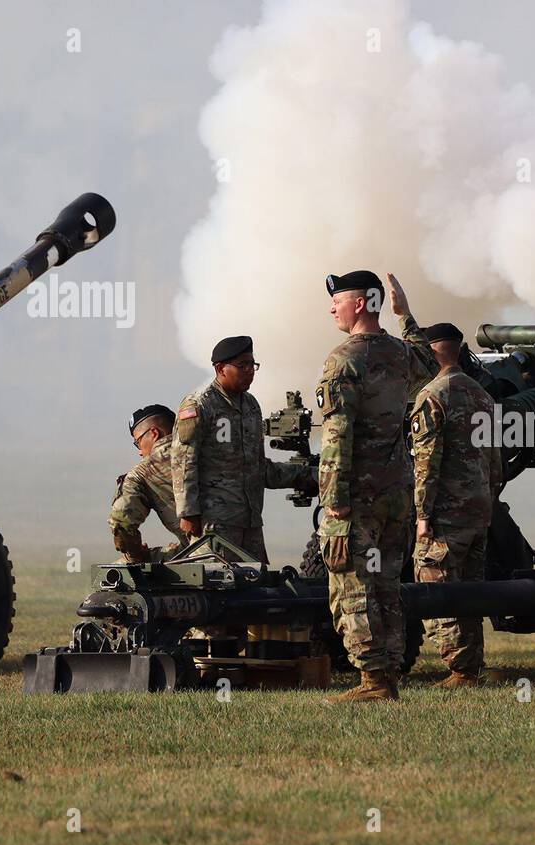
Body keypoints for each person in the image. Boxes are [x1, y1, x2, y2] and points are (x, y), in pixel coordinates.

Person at [317, 271, 437, 703]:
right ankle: (387, 676)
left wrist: (334, 502)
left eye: (338, 301)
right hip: (396, 492)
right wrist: (405, 315)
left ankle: (373, 680)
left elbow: (337, 436)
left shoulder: (343, 360)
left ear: (362, 304)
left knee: (352, 583)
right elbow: (429, 362)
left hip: (357, 496)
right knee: (386, 583)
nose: (332, 308)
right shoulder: (401, 353)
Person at [410, 323, 502, 687]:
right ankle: (471, 667)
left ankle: (461, 669)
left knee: (435, 584)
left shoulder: (432, 396)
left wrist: (422, 516)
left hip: (446, 512)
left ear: (431, 353)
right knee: (469, 589)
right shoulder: (482, 396)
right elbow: (496, 462)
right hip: (478, 509)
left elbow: (425, 463)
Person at [172, 336, 310, 563]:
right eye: (242, 365)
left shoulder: (251, 406)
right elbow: (183, 462)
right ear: (220, 369)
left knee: (258, 589)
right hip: (215, 523)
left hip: (250, 521)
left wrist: (305, 475)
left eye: (252, 365)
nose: (250, 371)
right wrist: (187, 512)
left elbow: (257, 465)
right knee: (218, 588)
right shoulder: (199, 405)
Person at [109, 404, 187, 563]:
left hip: (209, 556)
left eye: (138, 442)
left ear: (154, 433)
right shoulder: (213, 450)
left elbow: (121, 523)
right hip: (251, 553)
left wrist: (136, 554)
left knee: (119, 569)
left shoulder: (142, 473)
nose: (139, 451)